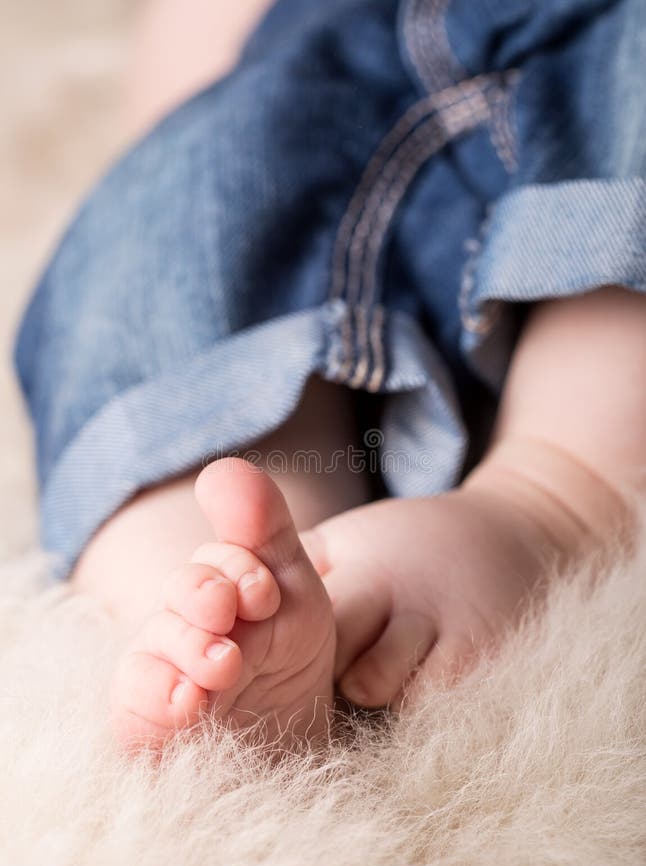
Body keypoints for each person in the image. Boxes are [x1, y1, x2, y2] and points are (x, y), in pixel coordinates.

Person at [14, 0, 645, 749]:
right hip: (293, 77)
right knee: (177, 221)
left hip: (585, 38)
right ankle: (214, 610)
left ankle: (553, 495)